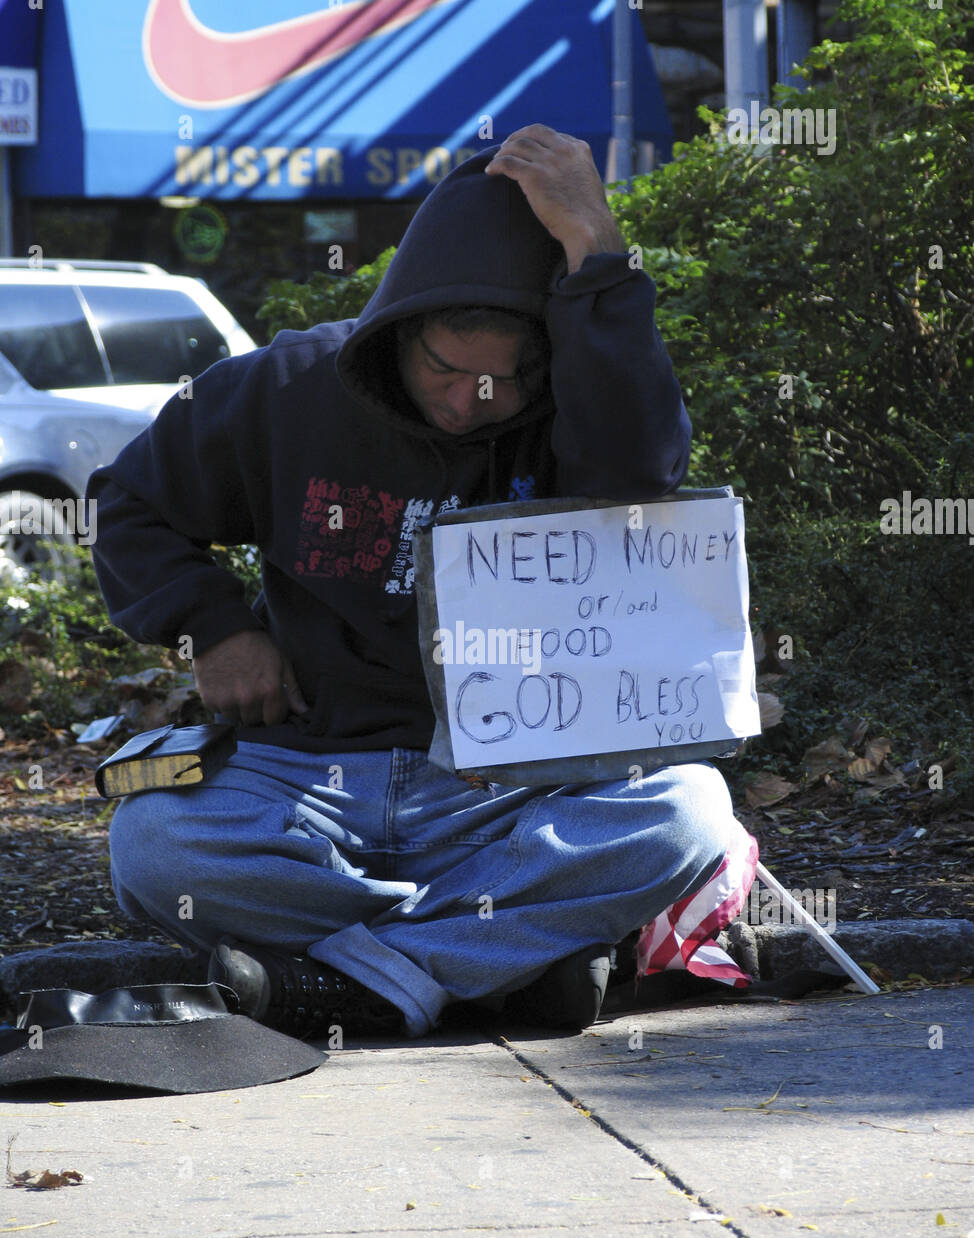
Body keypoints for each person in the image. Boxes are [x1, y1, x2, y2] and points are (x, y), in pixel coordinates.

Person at [87, 125, 735, 1041]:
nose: (473, 396)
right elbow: (126, 505)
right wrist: (217, 628)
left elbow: (643, 477)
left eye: (505, 379)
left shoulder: (578, 408)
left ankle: (357, 980)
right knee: (153, 846)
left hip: (508, 789)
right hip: (304, 778)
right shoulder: (282, 387)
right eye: (446, 365)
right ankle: (498, 957)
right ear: (398, 326)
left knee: (686, 814)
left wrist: (598, 248)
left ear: (547, 354)